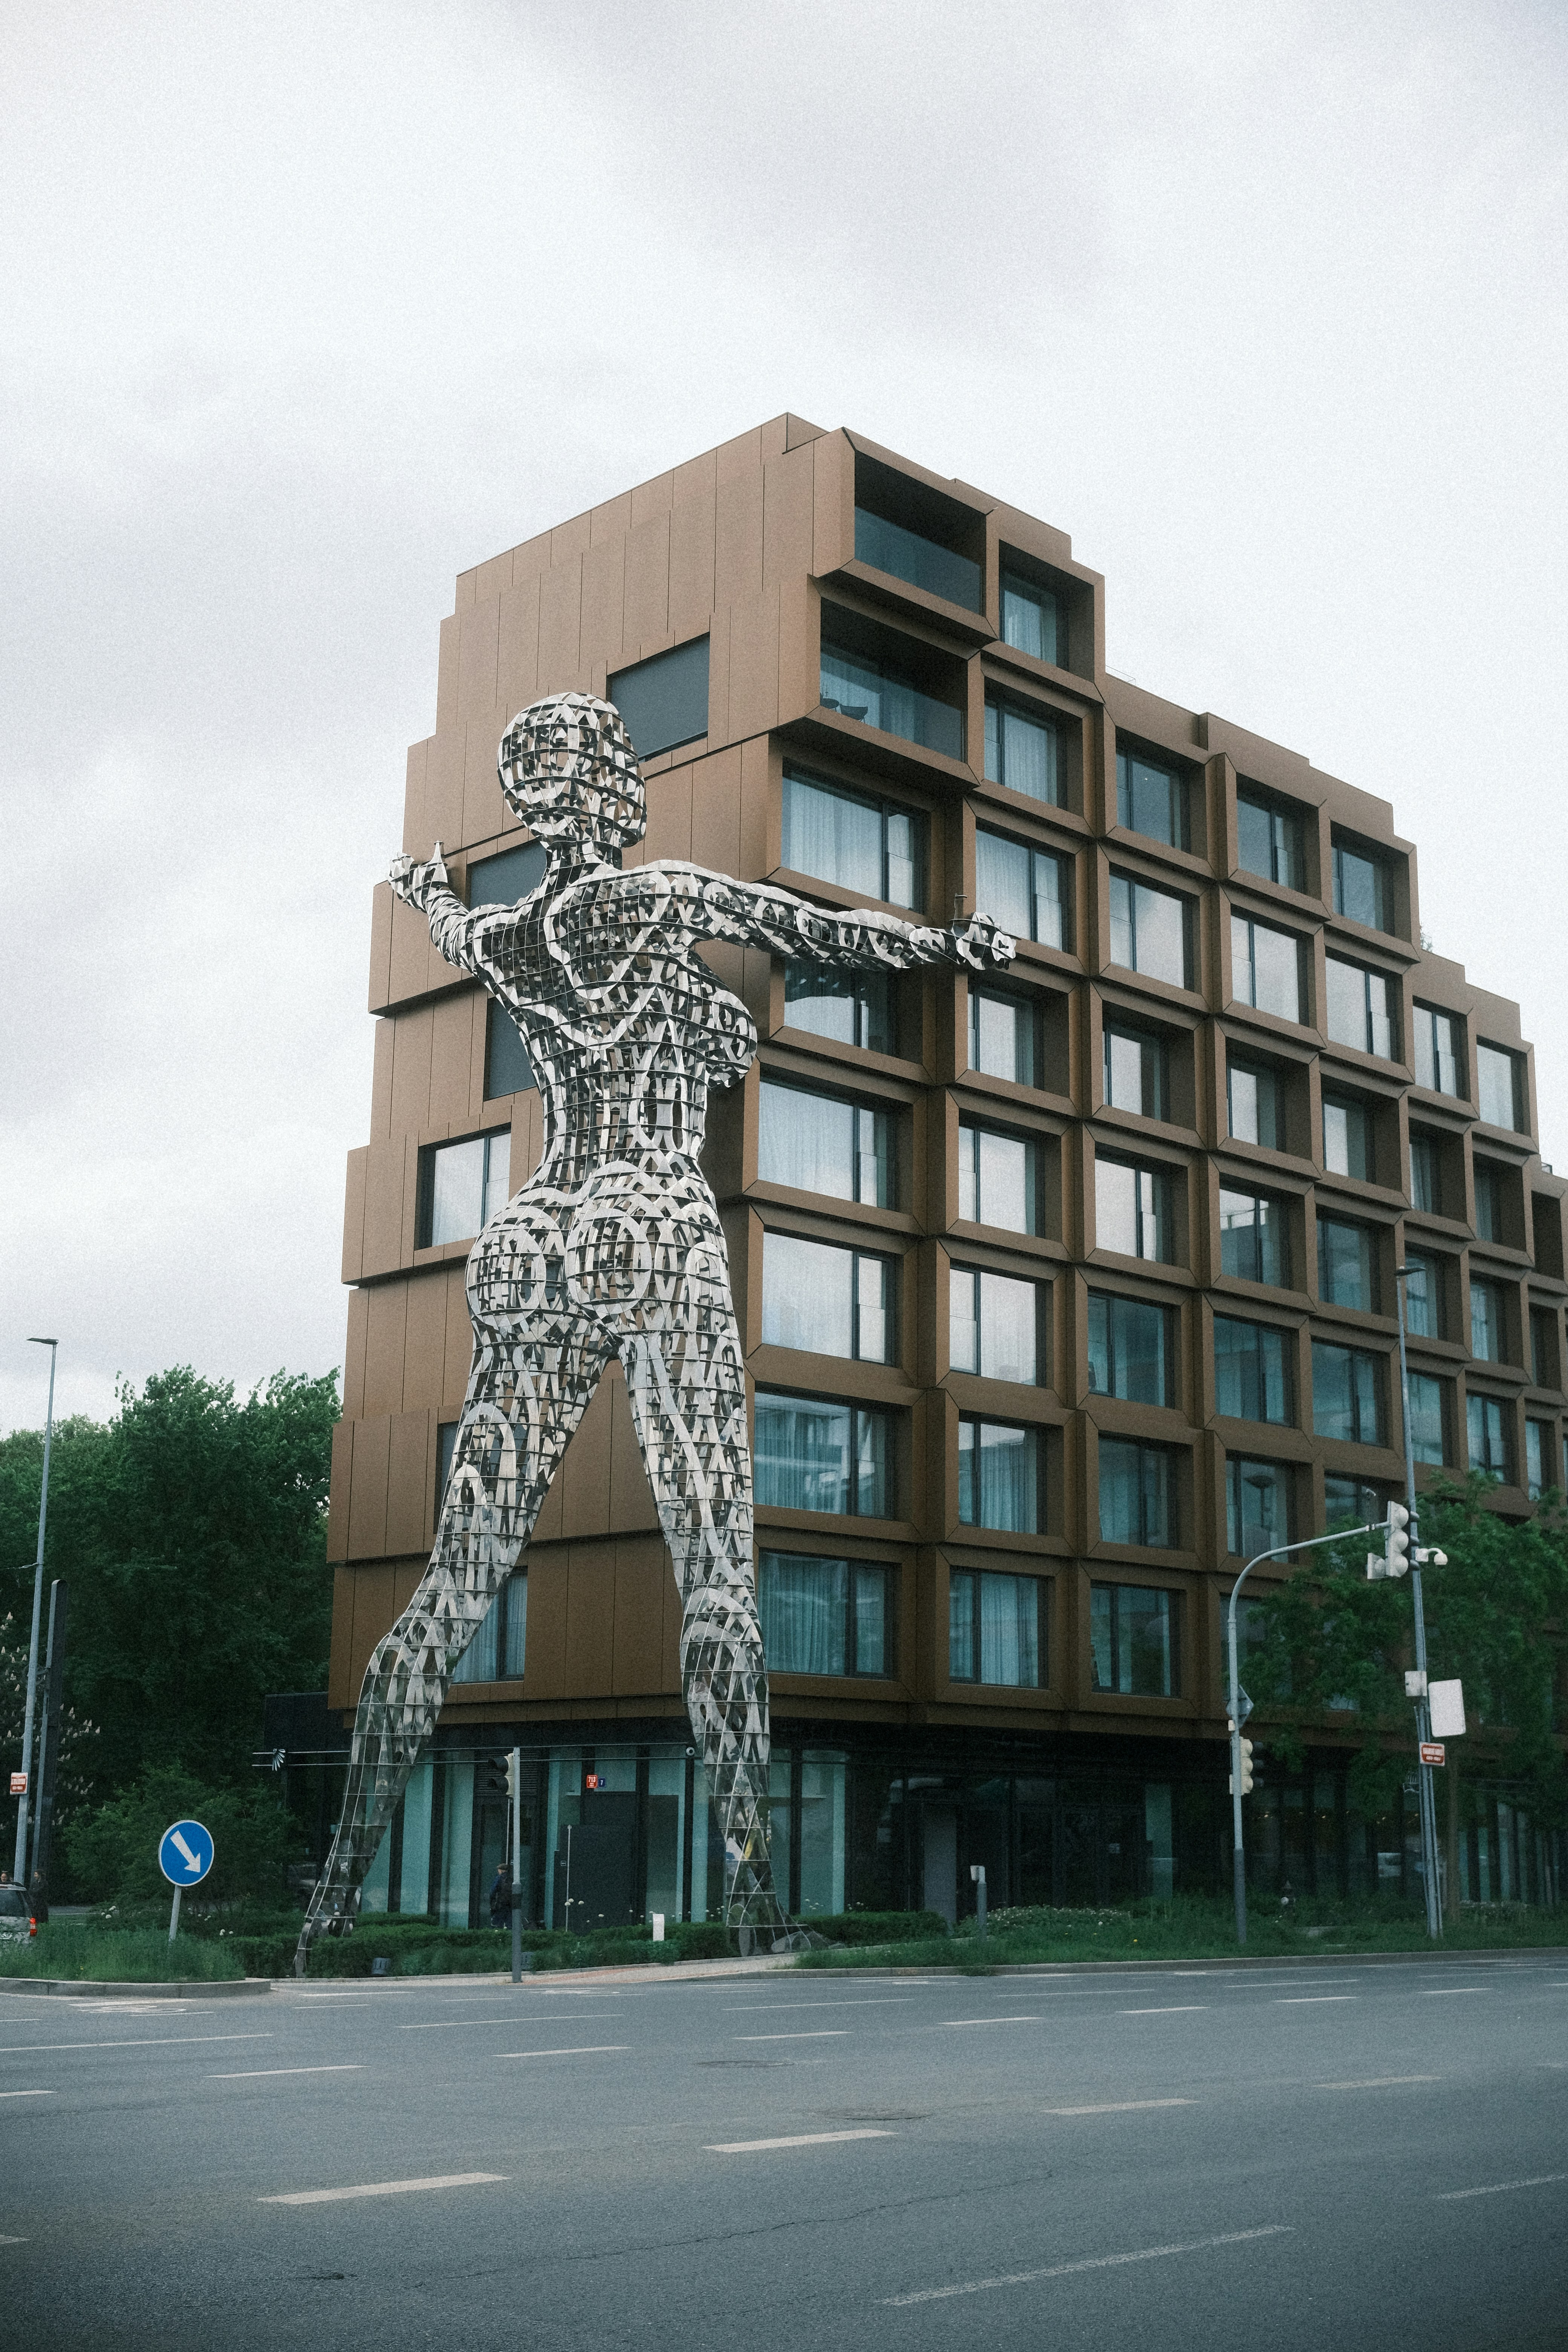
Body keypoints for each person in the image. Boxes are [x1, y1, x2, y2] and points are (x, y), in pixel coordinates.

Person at [296, 692, 1014, 1970]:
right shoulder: (661, 897)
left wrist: (420, 889)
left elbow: (461, 930)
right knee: (717, 1567)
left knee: (453, 1580)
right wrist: (954, 941)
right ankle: (751, 1900)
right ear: (611, 785)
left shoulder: (515, 936)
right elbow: (818, 932)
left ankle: (331, 1902)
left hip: (534, 1236)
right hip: (652, 1220)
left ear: (533, 799)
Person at [488, 1862, 511, 1931]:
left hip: (500, 1904)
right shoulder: (511, 1879)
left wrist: (492, 1902)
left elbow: (493, 1891)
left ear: (502, 1871)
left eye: (499, 1870)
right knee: (509, 1924)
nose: (498, 1872)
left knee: (497, 1924)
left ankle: (498, 1937)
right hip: (510, 1904)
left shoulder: (499, 1879)